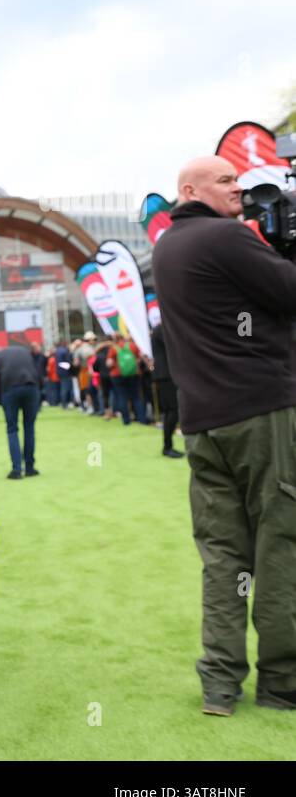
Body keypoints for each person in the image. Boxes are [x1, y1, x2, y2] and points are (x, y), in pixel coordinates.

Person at [152, 154, 296, 716]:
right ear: (189, 189)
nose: (238, 187)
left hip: (204, 422)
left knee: (223, 557)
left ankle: (219, 683)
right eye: (225, 180)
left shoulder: (168, 246)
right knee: (280, 544)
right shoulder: (226, 238)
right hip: (261, 412)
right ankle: (283, 680)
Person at [0, 342, 42, 479]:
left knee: (12, 429)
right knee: (29, 427)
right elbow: (37, 372)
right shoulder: (26, 352)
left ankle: (17, 470)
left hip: (9, 389)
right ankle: (30, 468)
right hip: (31, 387)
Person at [150, 321, 184, 458]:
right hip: (166, 375)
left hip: (166, 375)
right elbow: (175, 346)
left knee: (172, 411)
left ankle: (168, 446)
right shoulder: (161, 329)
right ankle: (167, 446)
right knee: (172, 410)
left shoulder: (161, 329)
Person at [106, 333, 149, 425]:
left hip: (117, 375)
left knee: (122, 397)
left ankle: (126, 420)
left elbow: (109, 363)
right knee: (136, 397)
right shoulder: (133, 346)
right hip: (134, 374)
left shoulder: (114, 348)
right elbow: (140, 358)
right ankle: (141, 419)